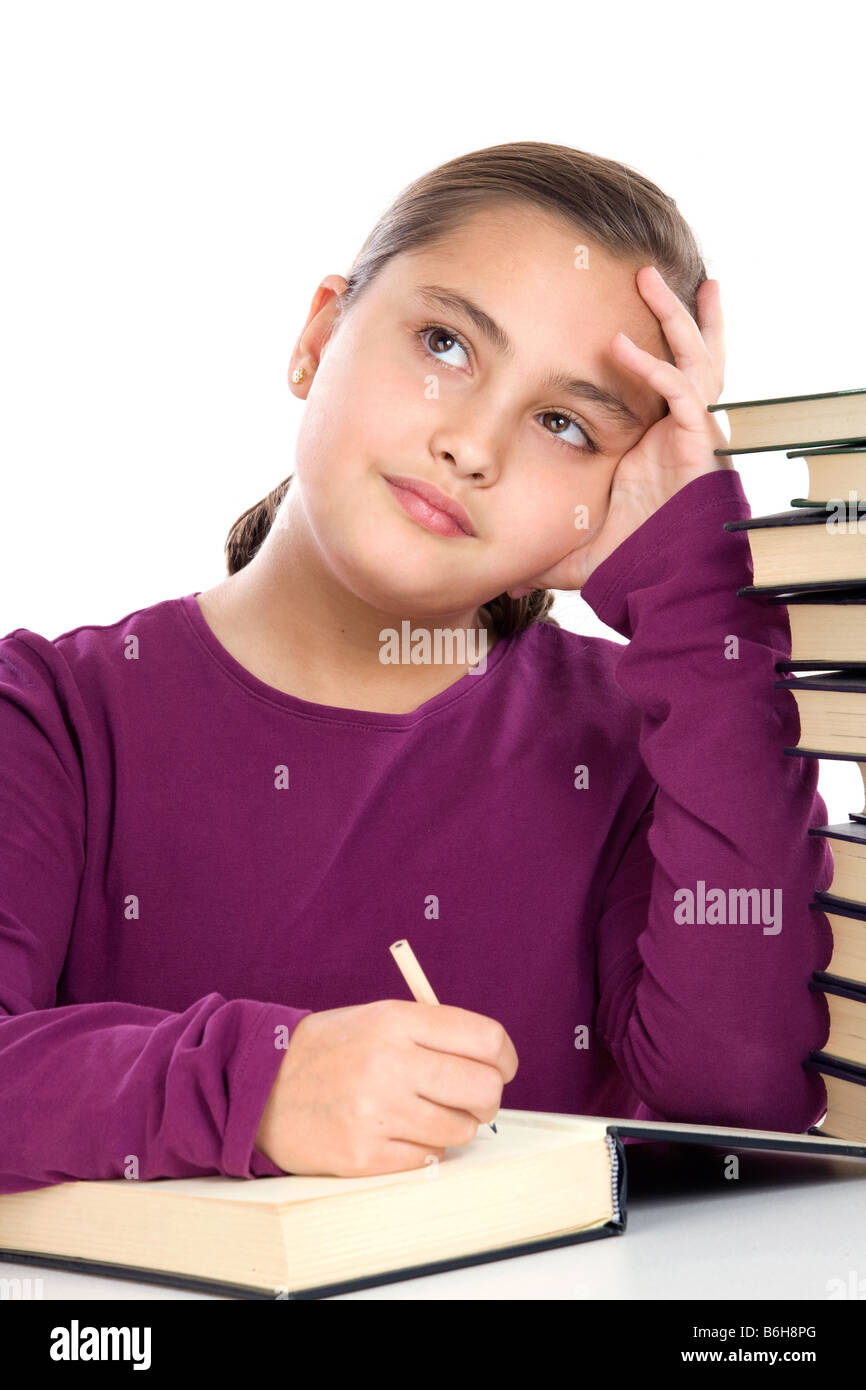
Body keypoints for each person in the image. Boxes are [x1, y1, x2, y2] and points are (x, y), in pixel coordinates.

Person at [0, 141, 832, 1193]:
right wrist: (251, 1088)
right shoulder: (46, 718)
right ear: (315, 337)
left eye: (563, 424)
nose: (473, 445)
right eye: (443, 342)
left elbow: (736, 1111)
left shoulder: (642, 752)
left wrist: (696, 587)